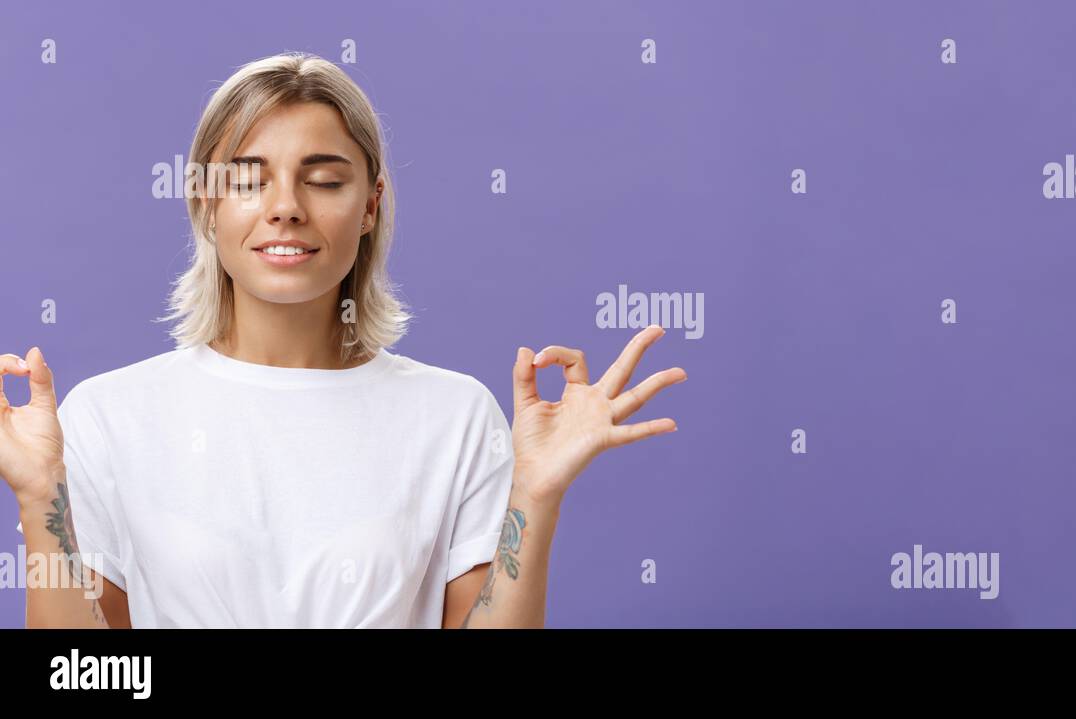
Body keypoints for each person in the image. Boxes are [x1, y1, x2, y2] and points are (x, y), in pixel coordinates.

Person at [0, 52, 685, 628]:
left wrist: (533, 494)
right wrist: (39, 499)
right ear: (205, 205)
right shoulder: (108, 416)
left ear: (371, 206)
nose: (286, 206)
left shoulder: (455, 416)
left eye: (324, 179)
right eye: (247, 179)